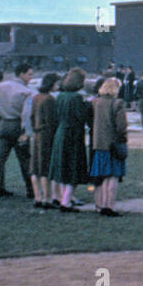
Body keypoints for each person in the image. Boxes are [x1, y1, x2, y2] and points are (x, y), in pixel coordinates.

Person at [0, 63, 34, 200]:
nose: (31, 77)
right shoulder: (26, 91)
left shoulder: (2, 86)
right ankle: (31, 190)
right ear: (22, 74)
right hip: (17, 124)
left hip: (3, 123)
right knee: (24, 159)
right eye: (29, 74)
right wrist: (27, 132)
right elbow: (25, 115)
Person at [49, 68, 91, 211]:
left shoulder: (60, 96)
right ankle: (66, 201)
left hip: (61, 133)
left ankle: (62, 198)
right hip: (73, 135)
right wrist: (88, 106)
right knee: (73, 168)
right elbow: (81, 117)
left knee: (62, 168)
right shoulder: (76, 98)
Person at [89, 76, 129, 217]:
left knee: (103, 177)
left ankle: (101, 205)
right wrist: (123, 138)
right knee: (113, 177)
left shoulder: (96, 102)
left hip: (99, 144)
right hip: (113, 144)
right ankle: (110, 206)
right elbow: (121, 126)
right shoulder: (118, 103)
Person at [30, 72, 60, 208]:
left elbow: (31, 116)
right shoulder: (50, 100)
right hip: (47, 135)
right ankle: (46, 199)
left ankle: (37, 196)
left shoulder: (36, 97)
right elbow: (51, 121)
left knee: (35, 166)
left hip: (37, 134)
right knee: (45, 167)